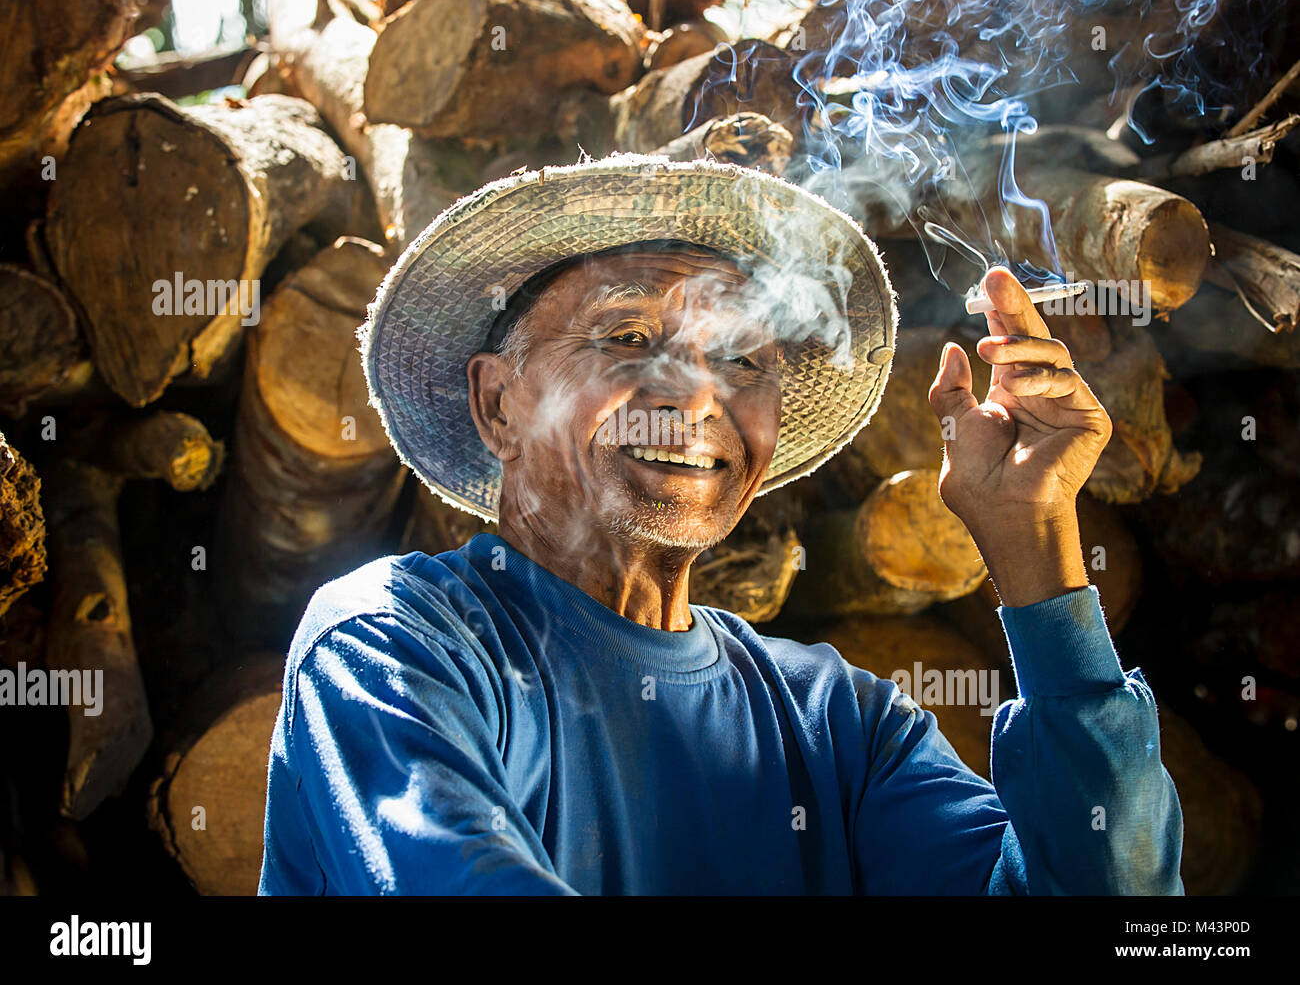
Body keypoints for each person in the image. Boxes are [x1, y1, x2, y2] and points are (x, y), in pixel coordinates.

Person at [258, 153, 1183, 895]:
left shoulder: (838, 725)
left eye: (743, 358)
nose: (696, 398)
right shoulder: (394, 645)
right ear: (498, 404)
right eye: (626, 338)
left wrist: (1033, 536)